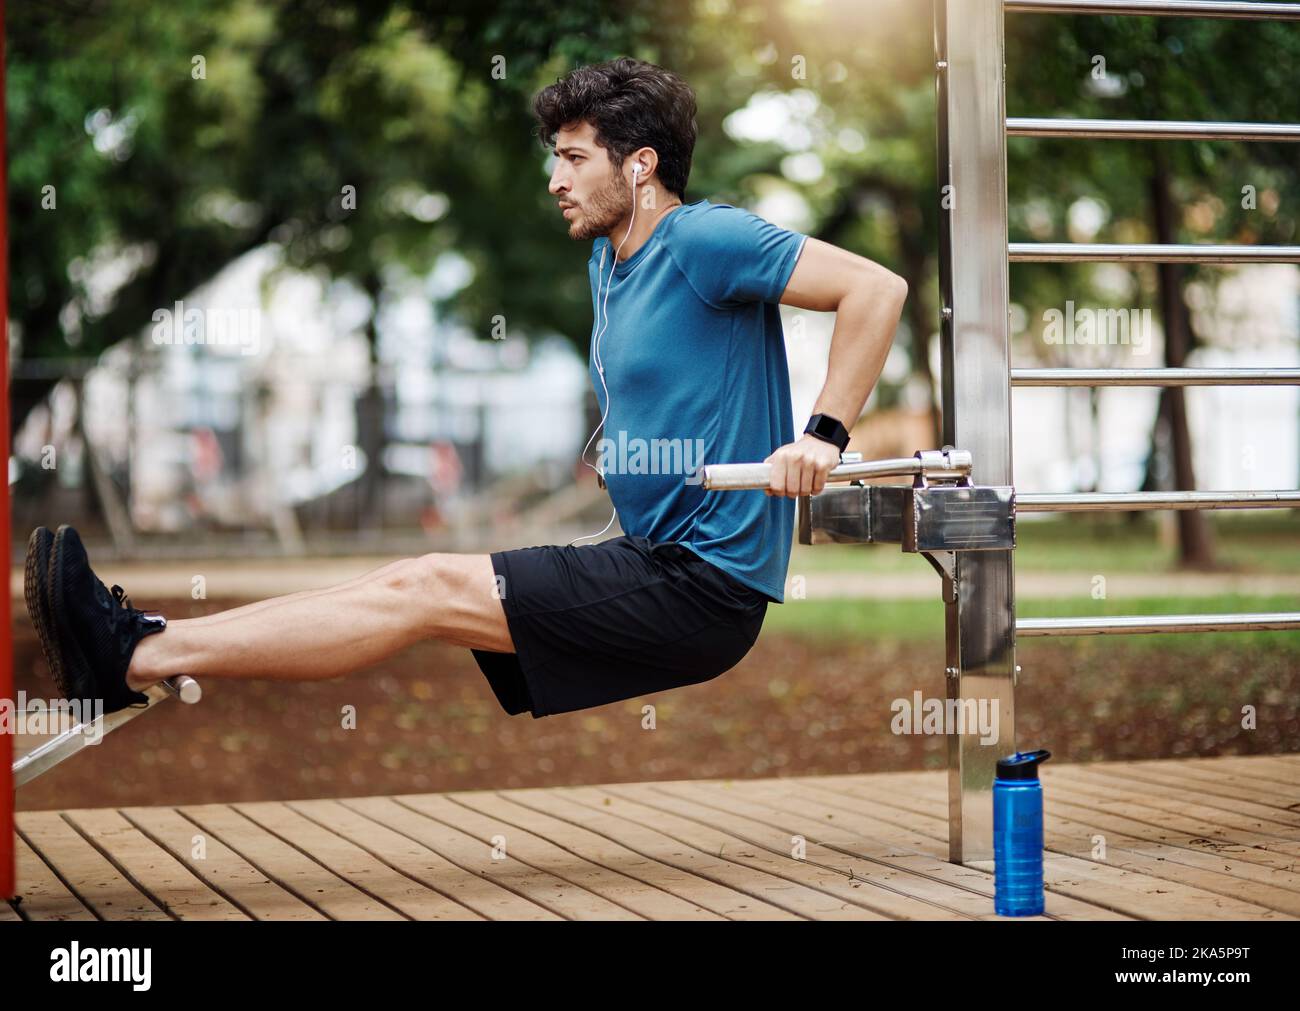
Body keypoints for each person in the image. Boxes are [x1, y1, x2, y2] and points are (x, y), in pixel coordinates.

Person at [23, 57, 908, 722]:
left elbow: (875, 289)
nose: (554, 180)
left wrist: (821, 434)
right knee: (413, 588)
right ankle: (142, 640)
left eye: (572, 158)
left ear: (638, 166)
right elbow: (673, 376)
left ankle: (132, 654)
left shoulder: (705, 237)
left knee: (426, 589)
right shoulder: (610, 260)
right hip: (656, 559)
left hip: (704, 586)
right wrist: (627, 450)